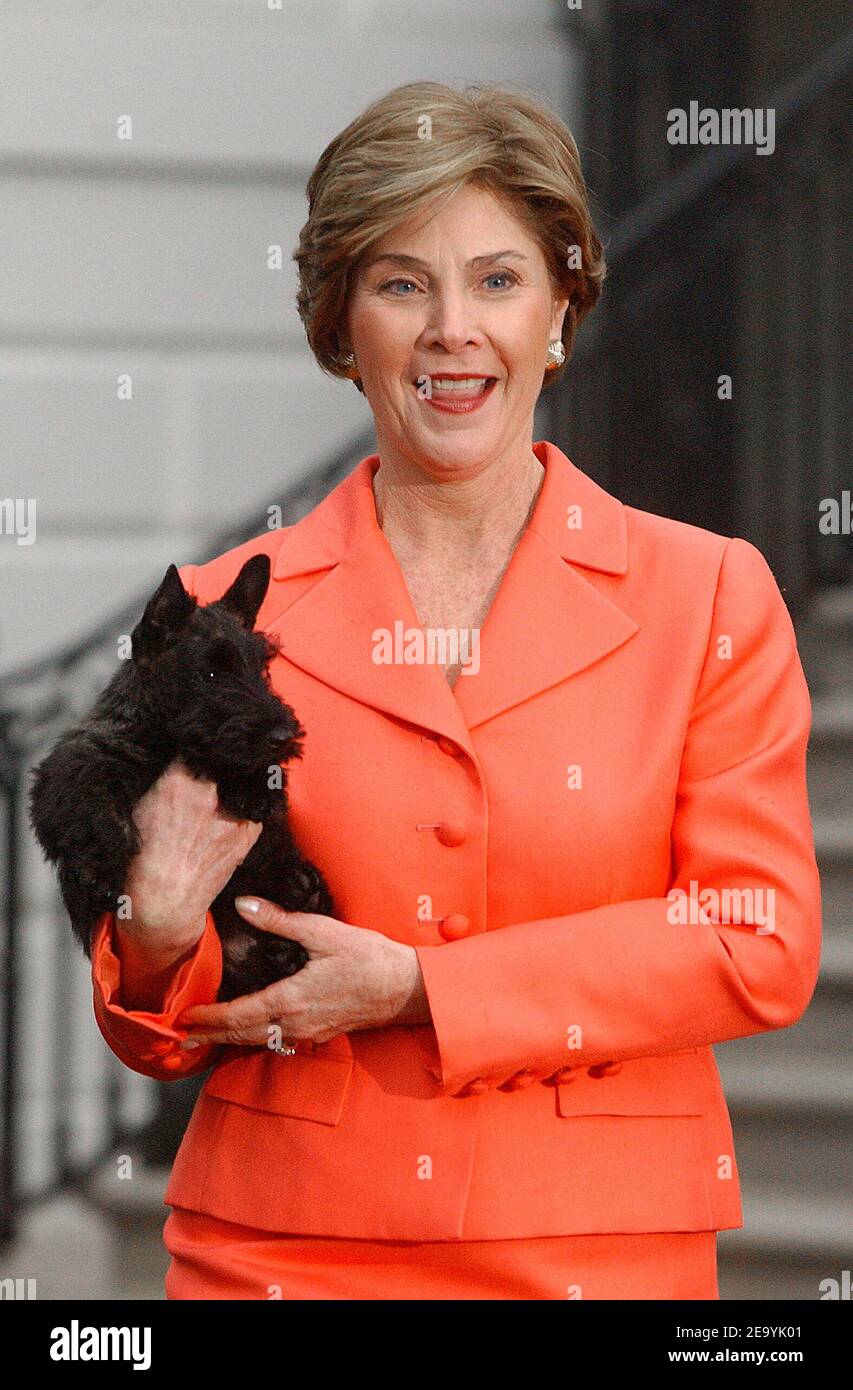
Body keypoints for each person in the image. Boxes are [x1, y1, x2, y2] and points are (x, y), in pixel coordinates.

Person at [90, 80, 822, 1300]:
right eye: (399, 284)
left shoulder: (709, 596)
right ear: (341, 324)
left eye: (496, 280)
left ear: (558, 312)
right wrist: (156, 936)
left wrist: (428, 989)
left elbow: (758, 937)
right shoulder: (220, 611)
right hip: (280, 1256)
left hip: (600, 1254)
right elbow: (161, 1011)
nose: (451, 329)